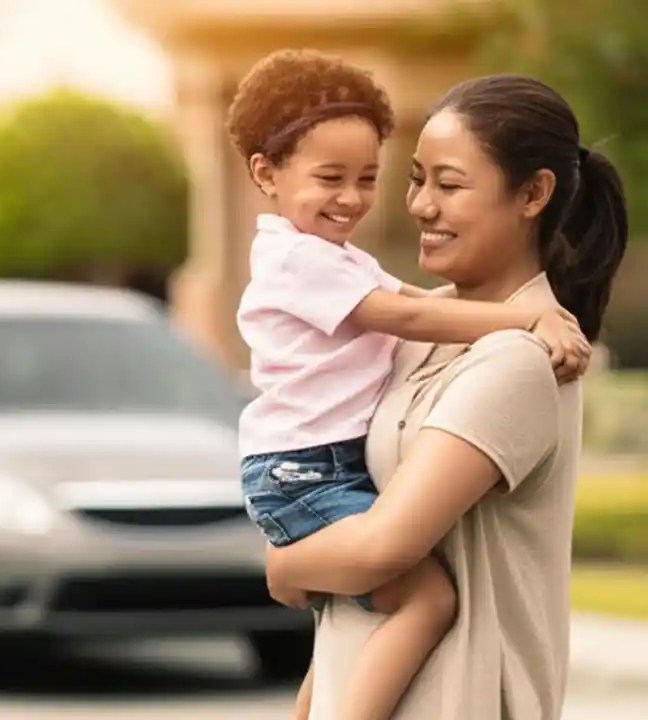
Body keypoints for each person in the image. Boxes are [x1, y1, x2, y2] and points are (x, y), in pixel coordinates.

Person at [226, 50, 592, 720]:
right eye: (417, 179)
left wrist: (284, 566)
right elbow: (349, 608)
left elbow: (380, 551)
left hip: (455, 704)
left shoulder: (516, 360)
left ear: (533, 194)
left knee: (423, 596)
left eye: (449, 184)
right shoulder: (405, 338)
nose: (420, 205)